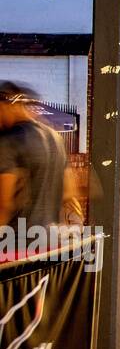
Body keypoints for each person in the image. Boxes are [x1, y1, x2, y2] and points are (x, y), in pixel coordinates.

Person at [0, 81, 69, 243]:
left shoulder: (8, 141)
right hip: (50, 241)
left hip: (16, 243)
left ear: (7, 105)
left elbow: (4, 204)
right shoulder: (57, 138)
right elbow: (69, 192)